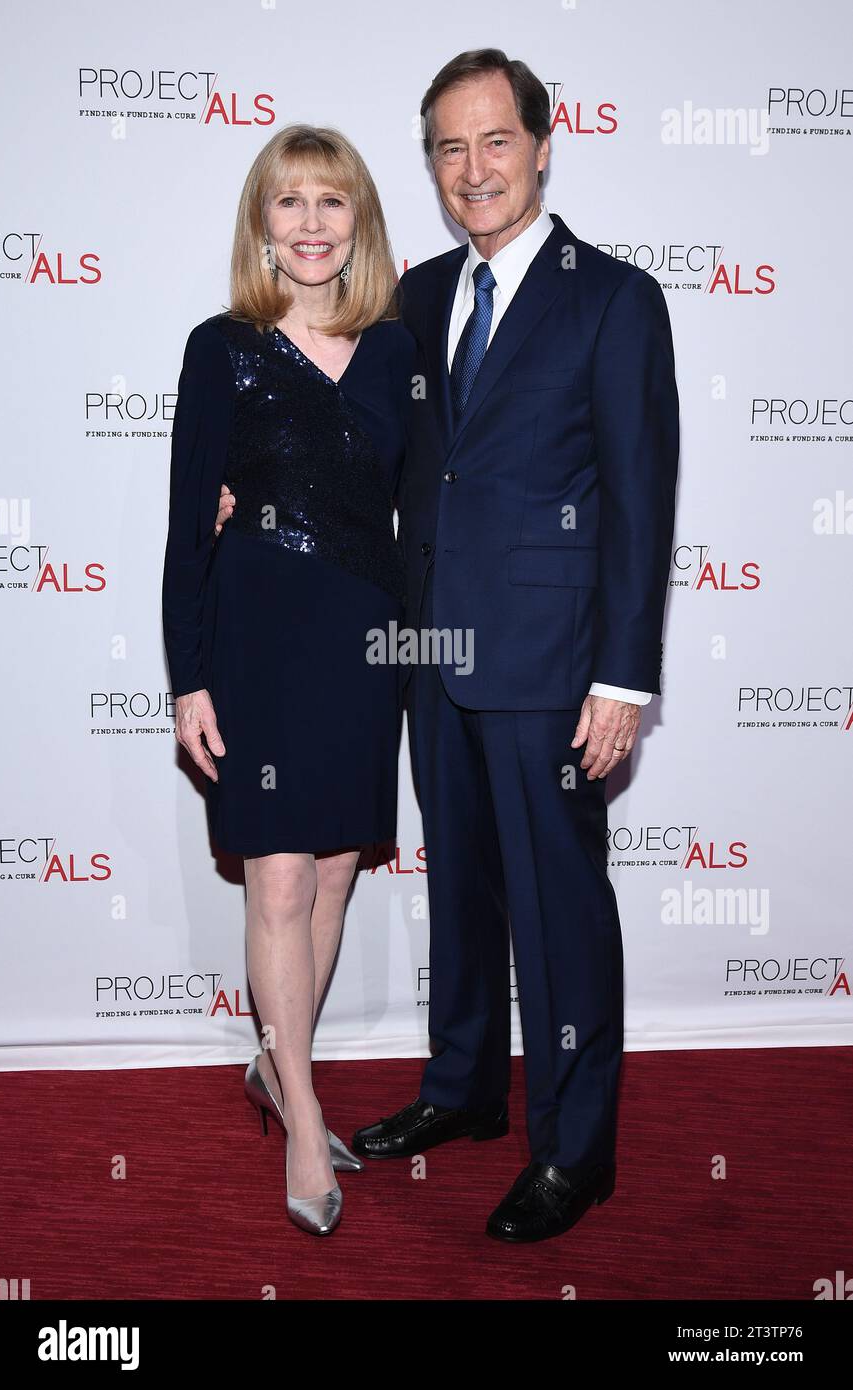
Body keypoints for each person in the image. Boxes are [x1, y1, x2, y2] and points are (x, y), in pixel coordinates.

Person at [216, 48, 680, 1245]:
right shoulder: (416, 299)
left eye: (494, 141)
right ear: (429, 166)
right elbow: (343, 438)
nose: (473, 168)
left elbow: (639, 497)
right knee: (463, 893)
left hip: (554, 665)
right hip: (426, 648)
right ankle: (465, 1085)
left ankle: (576, 1153)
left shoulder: (613, 298)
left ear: (540, 141)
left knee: (558, 908)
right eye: (447, 148)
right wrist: (243, 495)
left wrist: (623, 675)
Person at [162, 124, 413, 1236]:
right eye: (289, 203)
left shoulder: (403, 352)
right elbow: (185, 526)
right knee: (276, 885)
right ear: (261, 224)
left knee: (334, 877)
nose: (310, 224)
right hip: (257, 635)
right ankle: (303, 1116)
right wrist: (189, 676)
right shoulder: (221, 347)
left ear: (358, 221)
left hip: (364, 640)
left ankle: (277, 1069)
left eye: (331, 201)